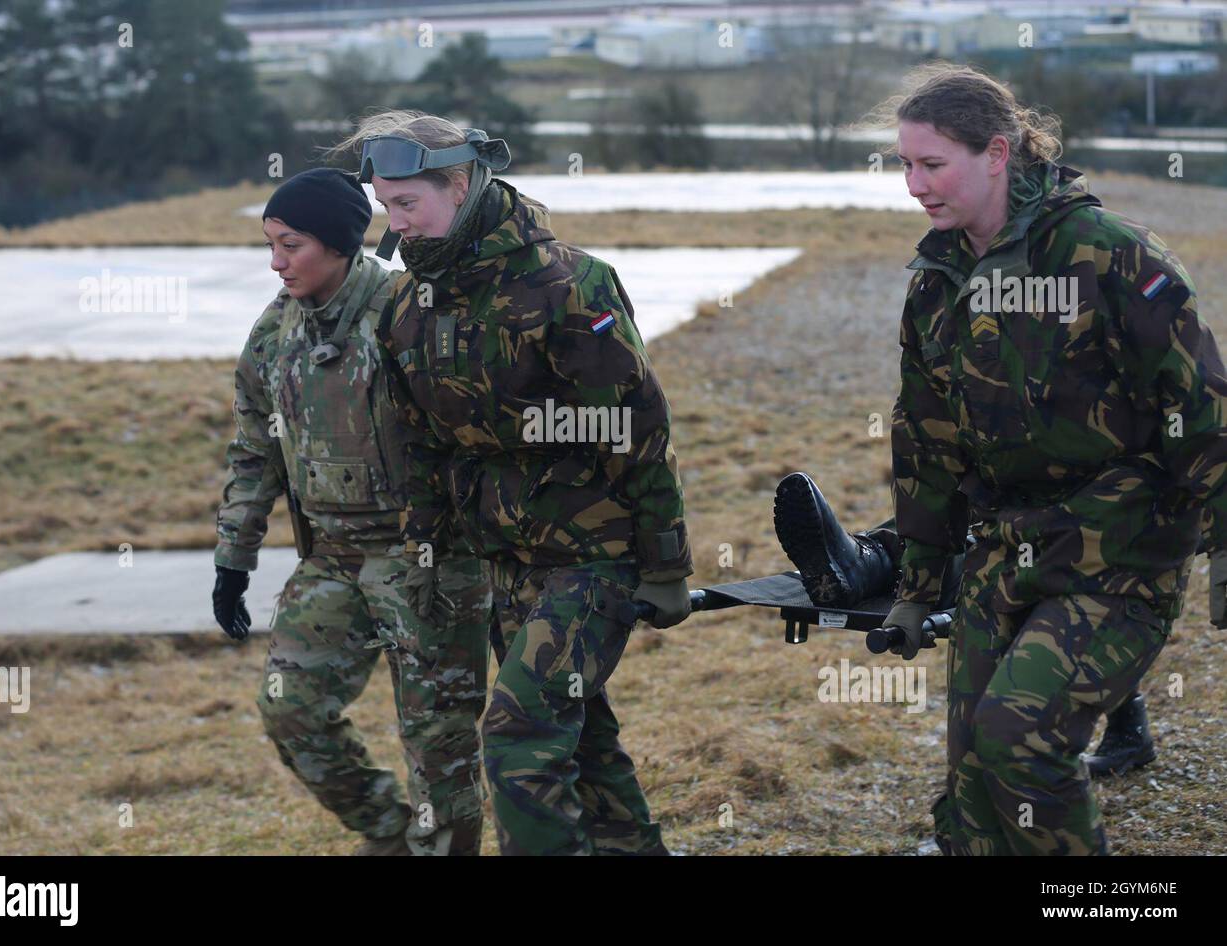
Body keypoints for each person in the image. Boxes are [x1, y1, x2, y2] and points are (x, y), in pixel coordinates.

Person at [869, 65, 1227, 855]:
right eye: (904, 164)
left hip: (1120, 554)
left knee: (1019, 738)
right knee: (970, 784)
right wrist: (915, 585)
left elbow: (1203, 411)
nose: (912, 186)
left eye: (932, 165)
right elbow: (926, 439)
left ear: (997, 153)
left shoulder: (1109, 256)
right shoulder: (938, 280)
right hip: (1004, 553)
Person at [334, 109, 692, 855]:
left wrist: (665, 565)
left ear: (460, 184)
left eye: (409, 205)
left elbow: (638, 429)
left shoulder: (567, 284)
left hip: (595, 556)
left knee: (521, 738)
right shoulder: (407, 306)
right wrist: (425, 550)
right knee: (582, 742)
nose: (395, 227)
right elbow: (418, 444)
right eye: (385, 208)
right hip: (504, 559)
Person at [212, 167, 493, 856]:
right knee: (291, 709)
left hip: (428, 563)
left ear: (340, 244)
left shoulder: (410, 316)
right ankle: (390, 836)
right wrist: (233, 560)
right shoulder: (274, 334)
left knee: (438, 744)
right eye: (270, 245)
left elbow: (482, 442)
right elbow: (255, 453)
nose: (277, 262)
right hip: (332, 562)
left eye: (292, 245)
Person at [773, 469, 1156, 777]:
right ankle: (872, 558)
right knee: (966, 497)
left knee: (993, 539)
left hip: (1106, 521)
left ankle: (870, 562)